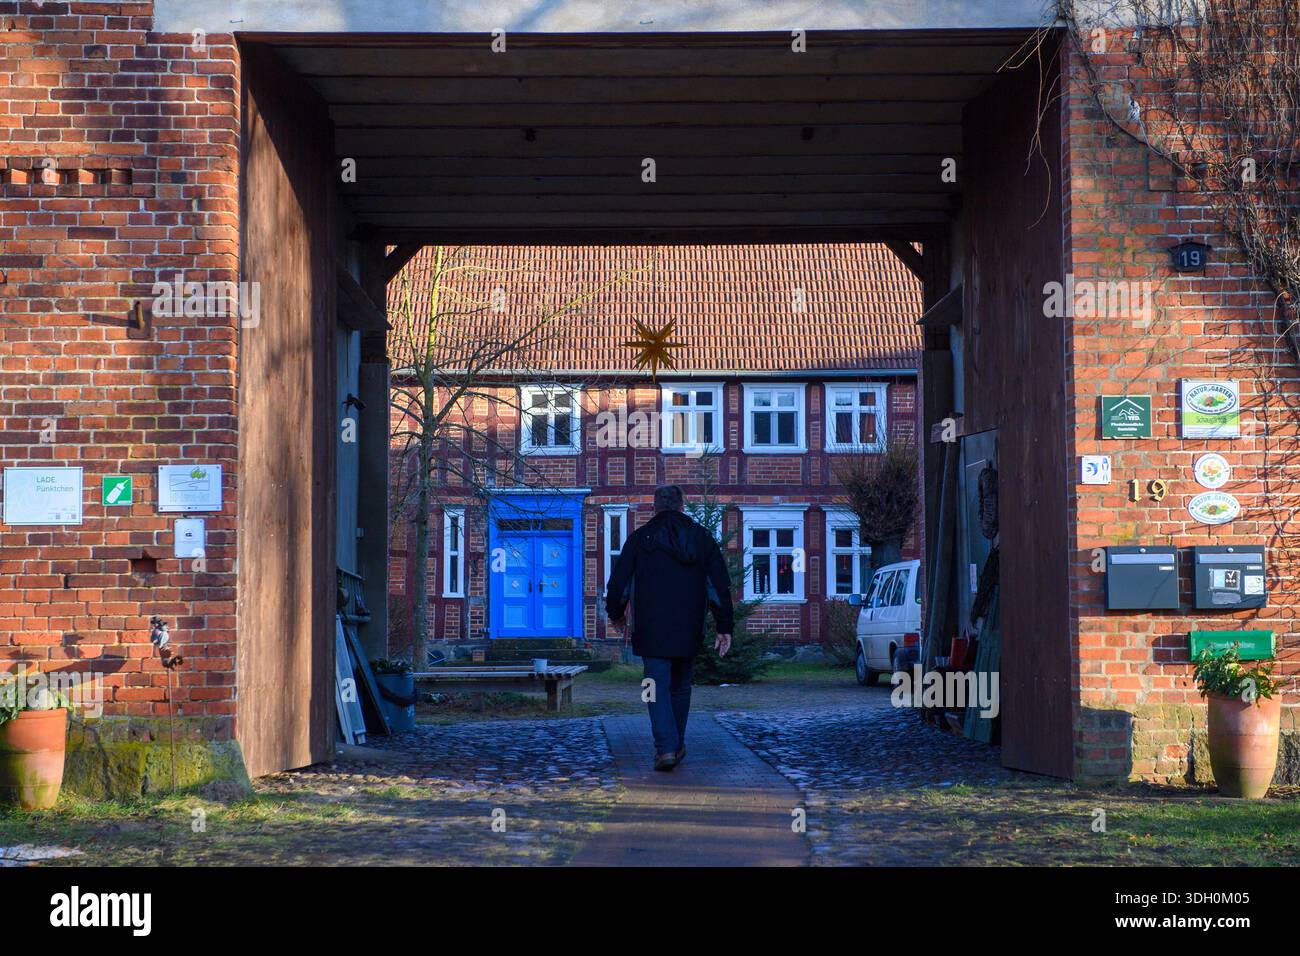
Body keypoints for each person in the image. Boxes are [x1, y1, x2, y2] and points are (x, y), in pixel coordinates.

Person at [605, 484, 734, 771]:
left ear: (655, 507)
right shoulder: (702, 539)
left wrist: (616, 614)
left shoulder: (639, 539)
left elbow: (617, 583)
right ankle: (675, 745)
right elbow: (719, 586)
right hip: (688, 627)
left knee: (654, 685)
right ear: (682, 506)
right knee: (680, 686)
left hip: (651, 628)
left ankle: (666, 748)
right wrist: (725, 627)